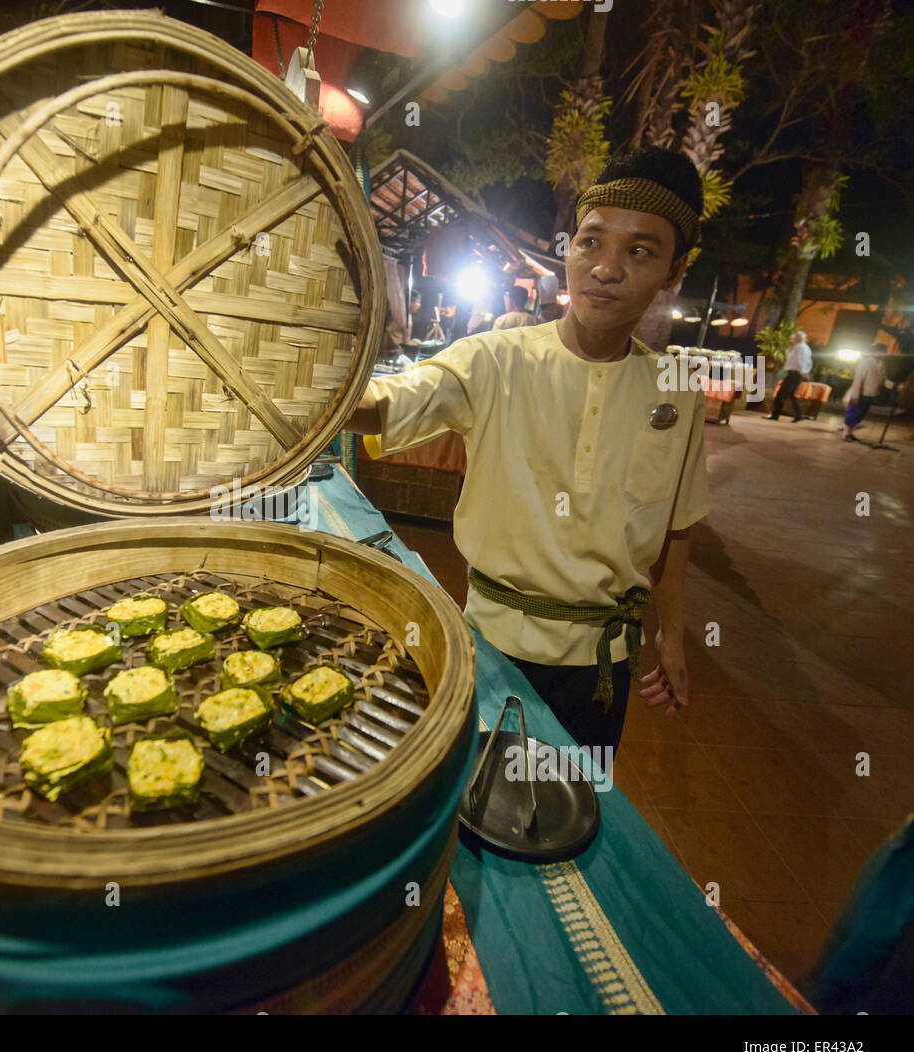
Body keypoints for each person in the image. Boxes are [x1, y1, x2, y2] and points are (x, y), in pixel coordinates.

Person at [344, 146, 711, 760]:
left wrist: (670, 636)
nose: (606, 268)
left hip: (604, 666)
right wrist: (290, 381)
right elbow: (384, 405)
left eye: (640, 251)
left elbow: (676, 526)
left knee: (572, 819)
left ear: (674, 271)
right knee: (476, 809)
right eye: (591, 242)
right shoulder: (495, 358)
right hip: (490, 643)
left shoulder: (679, 392)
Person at [841, 343, 889, 441]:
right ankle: (846, 434)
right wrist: (855, 395)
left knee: (861, 414)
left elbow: (883, 379)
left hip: (870, 394)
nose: (885, 354)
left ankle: (851, 433)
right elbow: (858, 380)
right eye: (883, 352)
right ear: (876, 352)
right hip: (860, 394)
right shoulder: (865, 363)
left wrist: (894, 386)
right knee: (853, 413)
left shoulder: (881, 364)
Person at [766, 330, 812, 422]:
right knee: (791, 395)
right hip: (796, 374)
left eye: (793, 338)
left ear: (797, 338)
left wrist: (803, 371)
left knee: (780, 394)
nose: (792, 339)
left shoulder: (799, 347)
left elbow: (800, 360)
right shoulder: (804, 347)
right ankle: (798, 415)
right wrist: (805, 372)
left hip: (794, 374)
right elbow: (808, 362)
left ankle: (775, 415)